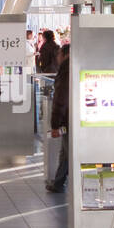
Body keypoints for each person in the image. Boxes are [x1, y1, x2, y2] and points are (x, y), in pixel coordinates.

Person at [46, 42, 71, 193]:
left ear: (65, 54)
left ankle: (60, 182)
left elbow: (61, 99)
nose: (57, 57)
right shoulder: (70, 67)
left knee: (68, 151)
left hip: (68, 119)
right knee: (65, 151)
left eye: (59, 54)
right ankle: (58, 182)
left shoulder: (66, 70)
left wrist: (55, 124)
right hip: (71, 118)